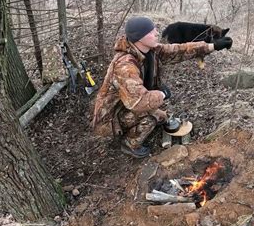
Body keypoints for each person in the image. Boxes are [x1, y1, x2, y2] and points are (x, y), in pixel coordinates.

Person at [92, 16, 233, 158]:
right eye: (151, 32)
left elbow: (179, 50)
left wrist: (212, 46)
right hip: (112, 117)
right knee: (152, 118)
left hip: (128, 103)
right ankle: (129, 144)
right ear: (139, 37)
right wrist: (161, 94)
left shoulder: (150, 50)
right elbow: (139, 102)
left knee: (162, 117)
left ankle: (137, 125)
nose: (157, 33)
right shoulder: (125, 66)